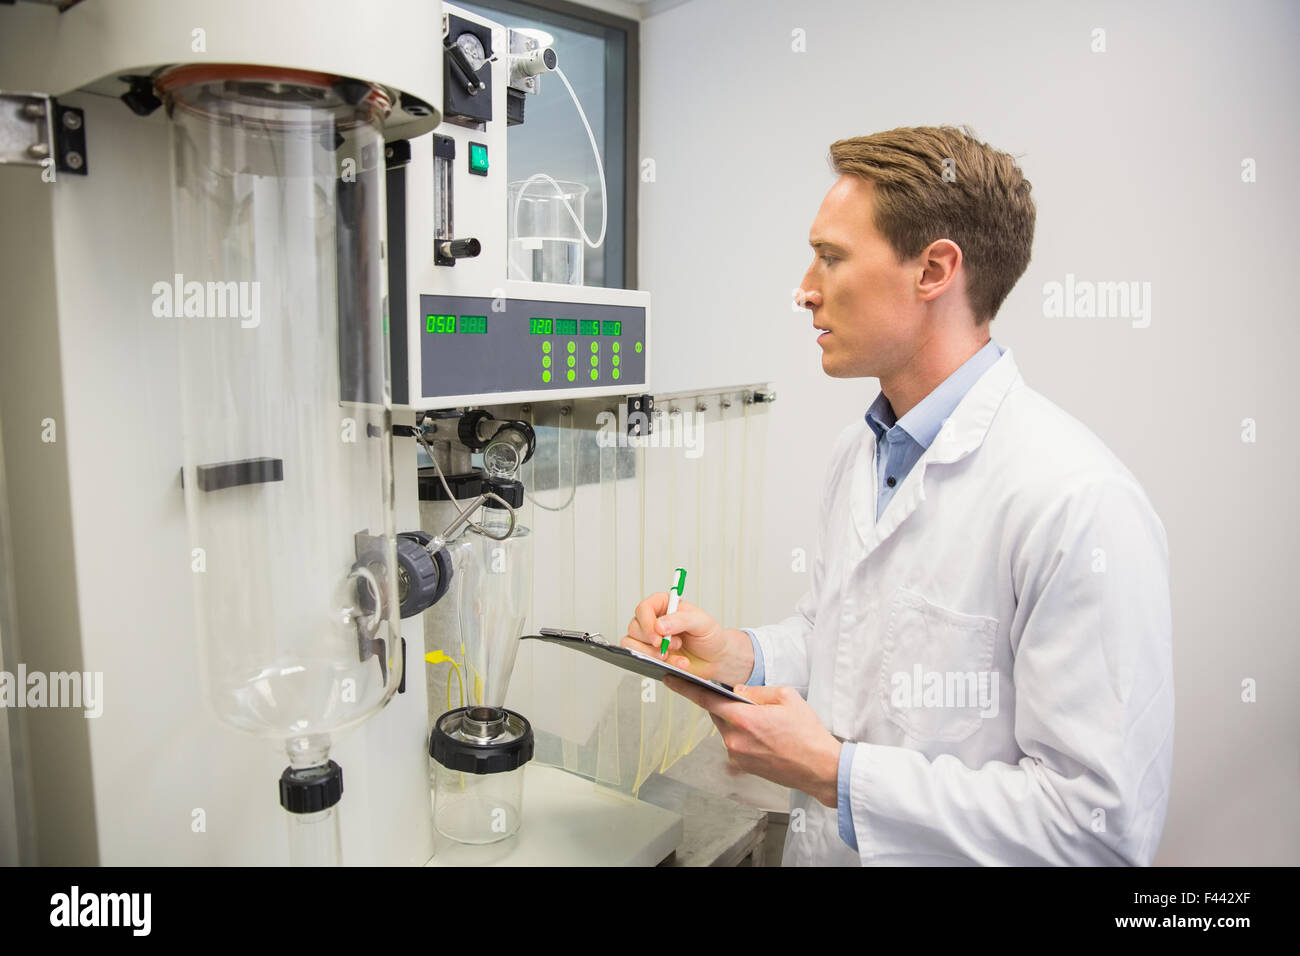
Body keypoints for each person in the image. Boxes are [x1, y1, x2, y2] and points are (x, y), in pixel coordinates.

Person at [622, 125, 1173, 866]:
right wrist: (736, 656)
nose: (805, 288)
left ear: (934, 270)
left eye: (831, 257)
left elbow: (1096, 831)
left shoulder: (1078, 502)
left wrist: (833, 773)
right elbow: (838, 642)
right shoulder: (863, 451)